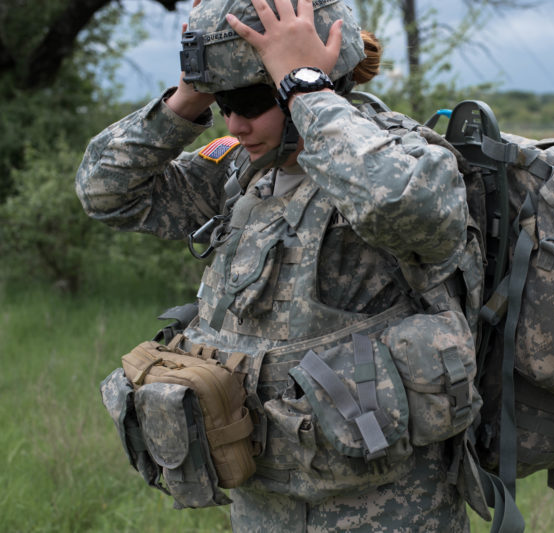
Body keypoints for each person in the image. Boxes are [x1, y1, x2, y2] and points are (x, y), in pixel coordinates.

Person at [77, 0, 486, 531]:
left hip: (385, 507)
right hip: (264, 498)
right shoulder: (243, 166)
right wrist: (189, 96)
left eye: (252, 100)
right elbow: (107, 192)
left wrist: (307, 90)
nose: (235, 123)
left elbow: (406, 208)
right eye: (225, 102)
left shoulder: (399, 159)